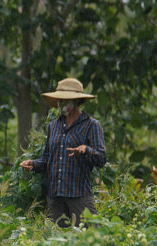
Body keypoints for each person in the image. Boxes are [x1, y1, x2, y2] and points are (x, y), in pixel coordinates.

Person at [20, 77, 107, 227]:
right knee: (55, 242)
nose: (61, 104)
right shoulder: (53, 126)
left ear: (76, 102)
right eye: (60, 100)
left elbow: (101, 158)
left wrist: (86, 150)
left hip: (79, 194)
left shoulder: (91, 125)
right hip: (55, 196)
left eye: (66, 101)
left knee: (91, 237)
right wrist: (33, 164)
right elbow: (48, 158)